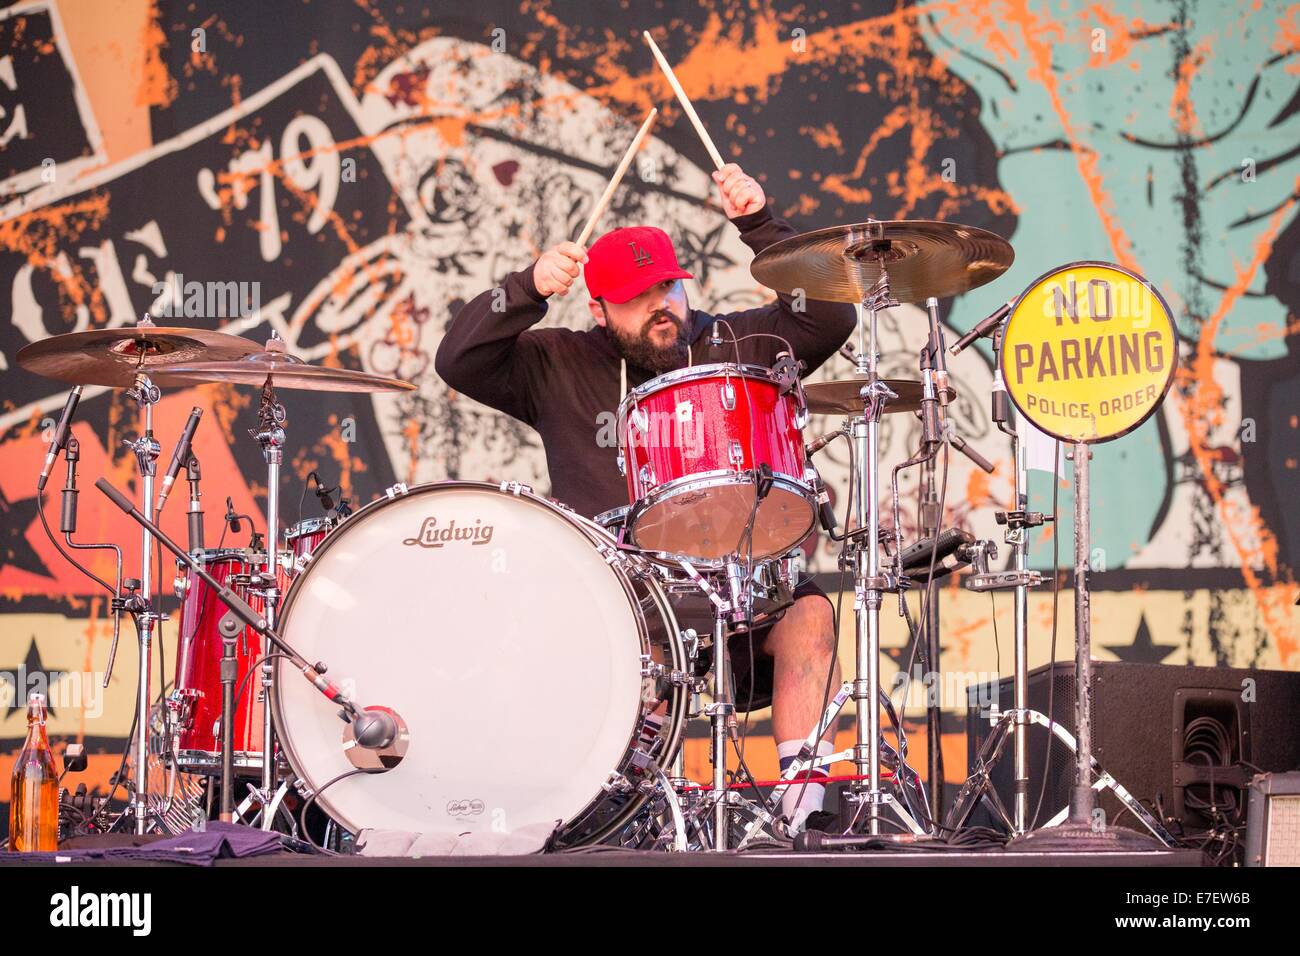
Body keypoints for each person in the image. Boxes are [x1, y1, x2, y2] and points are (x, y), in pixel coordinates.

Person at [436, 163, 857, 830]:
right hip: (623, 607)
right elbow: (459, 360)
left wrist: (761, 227)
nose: (661, 304)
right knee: (636, 641)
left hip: (738, 593)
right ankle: (621, 810)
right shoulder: (555, 363)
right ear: (597, 307)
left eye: (667, 286)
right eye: (637, 295)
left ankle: (803, 813)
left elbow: (831, 315)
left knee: (810, 616)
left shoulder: (735, 340)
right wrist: (525, 287)